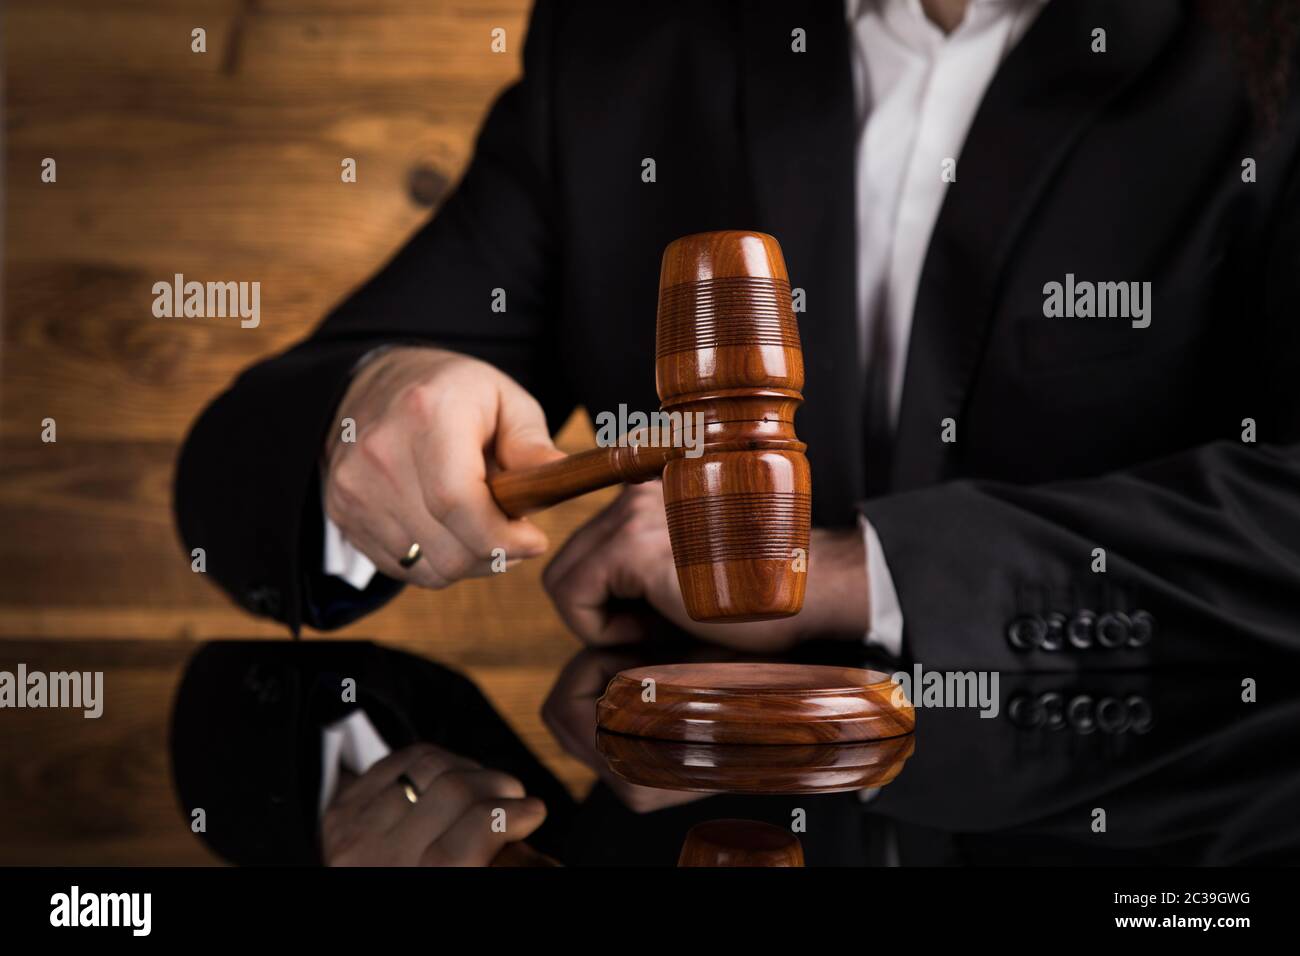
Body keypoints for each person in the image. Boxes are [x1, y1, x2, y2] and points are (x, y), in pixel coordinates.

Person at [174, 0, 1300, 864]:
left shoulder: (1269, 55)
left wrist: (867, 570)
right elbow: (238, 476)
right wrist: (372, 407)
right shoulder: (629, 37)